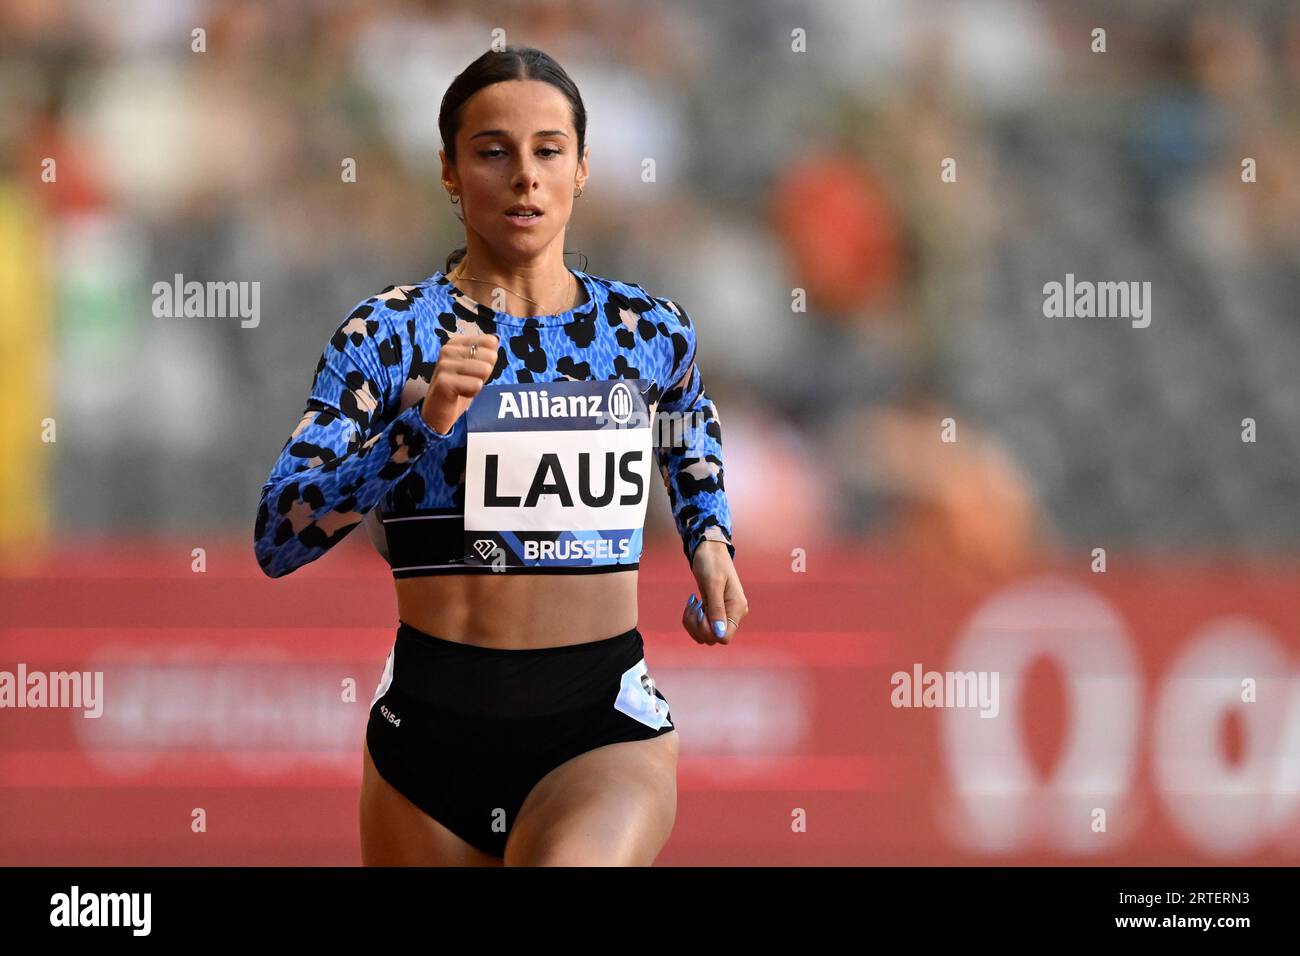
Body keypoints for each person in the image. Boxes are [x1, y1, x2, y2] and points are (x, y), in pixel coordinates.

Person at [253, 46, 748, 866]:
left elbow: (687, 415)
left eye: (548, 151)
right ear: (448, 171)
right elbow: (279, 534)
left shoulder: (648, 332)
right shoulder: (388, 336)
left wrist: (710, 536)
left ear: (583, 168)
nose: (525, 175)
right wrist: (421, 428)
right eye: (493, 151)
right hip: (426, 745)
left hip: (600, 728)